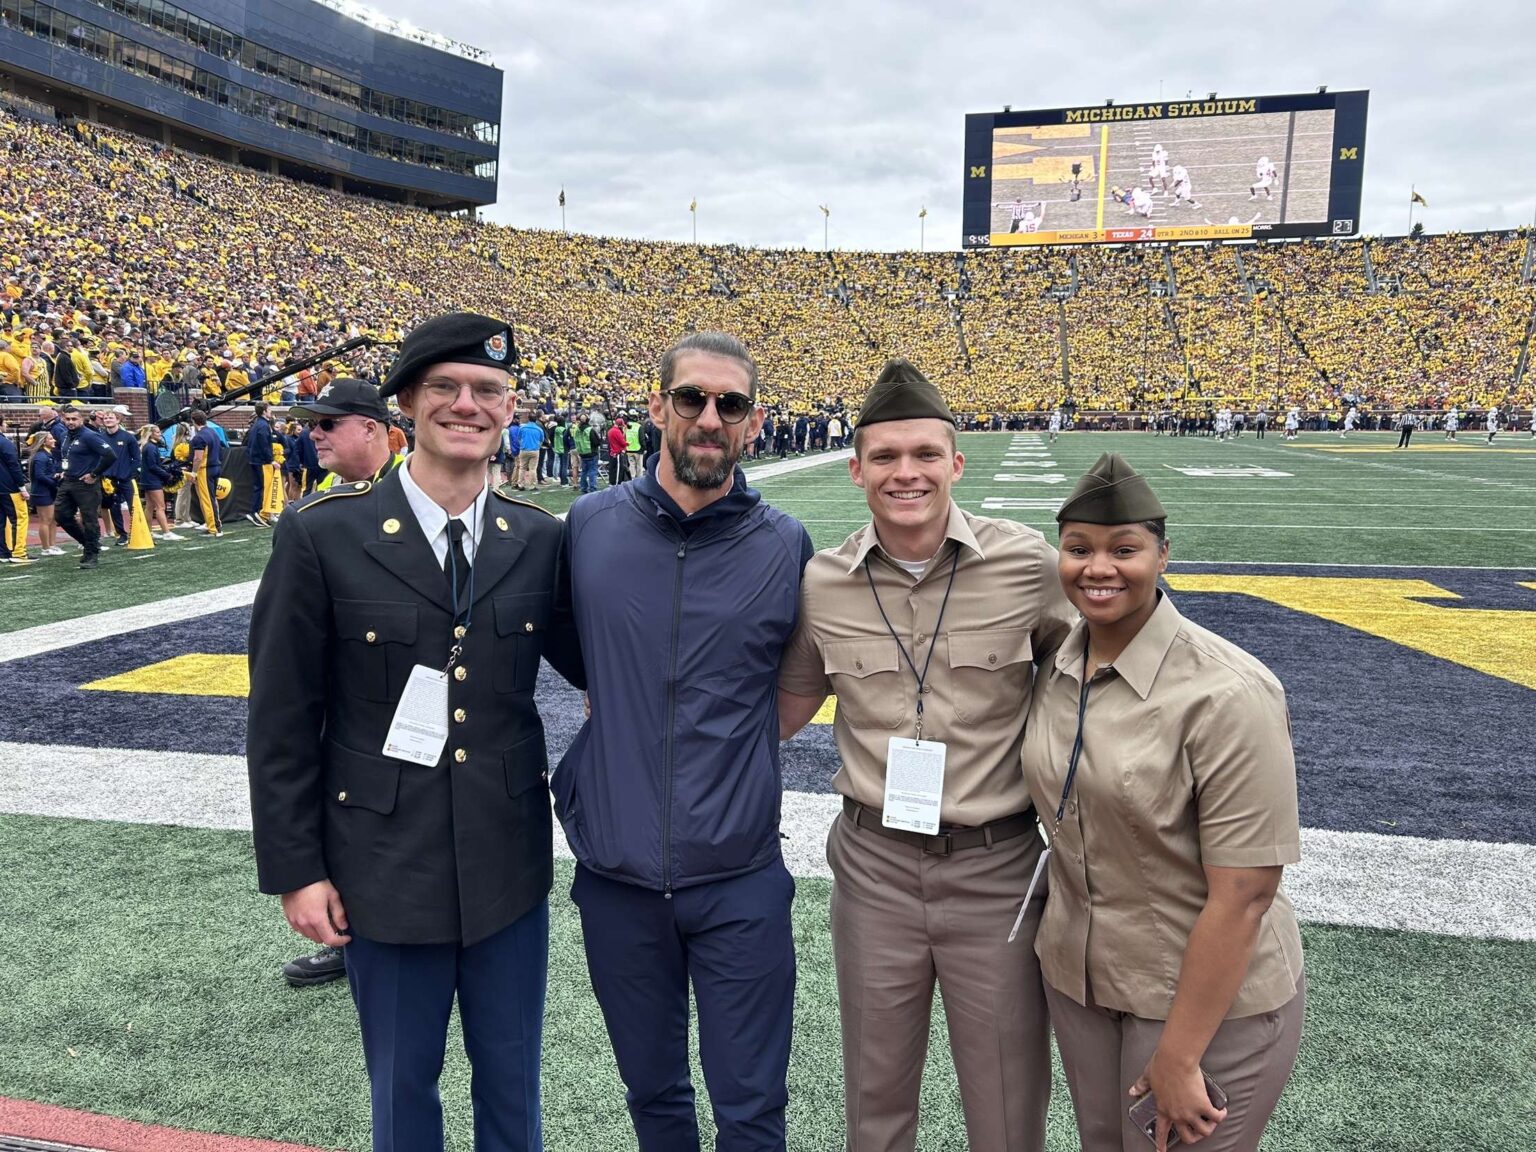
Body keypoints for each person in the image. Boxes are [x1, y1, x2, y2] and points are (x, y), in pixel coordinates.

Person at [248, 312, 584, 1152]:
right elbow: (282, 717)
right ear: (406, 403)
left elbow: (605, 667)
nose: (467, 404)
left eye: (488, 391)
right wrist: (298, 871)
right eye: (446, 388)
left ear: (509, 408)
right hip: (380, 864)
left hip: (507, 862)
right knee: (402, 1088)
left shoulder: (537, 538)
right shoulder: (324, 534)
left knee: (513, 1085)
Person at [777, 358, 1075, 1152]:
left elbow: (1102, 677)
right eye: (885, 457)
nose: (905, 474)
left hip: (997, 868)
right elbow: (785, 707)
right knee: (875, 1104)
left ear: (955, 463)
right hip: (873, 867)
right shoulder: (822, 582)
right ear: (856, 469)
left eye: (923, 455)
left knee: (1008, 1106)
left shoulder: (1028, 567)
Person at [554, 331, 811, 1152]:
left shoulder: (786, 544)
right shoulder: (588, 526)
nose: (710, 417)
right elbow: (572, 653)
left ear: (754, 422)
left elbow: (803, 679)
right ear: (658, 407)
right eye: (692, 399)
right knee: (655, 1096)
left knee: (750, 1107)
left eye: (729, 404)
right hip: (618, 876)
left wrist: (725, 748)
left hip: (738, 877)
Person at [1023, 453, 1305, 1152]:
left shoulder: (1229, 692)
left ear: (1163, 555)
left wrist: (1181, 1054)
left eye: (1125, 550)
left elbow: (1245, 892)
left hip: (1201, 1003)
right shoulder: (1059, 665)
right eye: (1078, 548)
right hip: (1083, 984)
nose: (1099, 568)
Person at [298, 379, 406, 494]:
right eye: (314, 424)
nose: (313, 434)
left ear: (369, 430)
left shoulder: (412, 482)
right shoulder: (327, 485)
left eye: (327, 424)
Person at [54, 403, 116, 570]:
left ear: (81, 419)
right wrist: (61, 470)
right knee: (61, 515)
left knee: (89, 519)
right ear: (62, 419)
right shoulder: (65, 435)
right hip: (67, 481)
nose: (70, 422)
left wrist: (95, 474)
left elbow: (110, 455)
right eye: (67, 419)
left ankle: (91, 554)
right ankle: (89, 544)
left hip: (86, 484)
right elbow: (65, 456)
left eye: (74, 419)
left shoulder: (90, 436)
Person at [98, 405, 140, 547]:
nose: (108, 420)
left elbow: (136, 458)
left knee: (132, 505)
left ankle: (137, 531)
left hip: (125, 478)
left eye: (111, 418)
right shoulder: (100, 437)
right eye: (105, 418)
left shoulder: (128, 437)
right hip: (108, 480)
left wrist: (131, 473)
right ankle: (121, 534)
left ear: (118, 420)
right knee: (114, 508)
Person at [137, 424, 181, 540]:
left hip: (147, 480)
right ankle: (166, 532)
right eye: (157, 432)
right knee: (160, 507)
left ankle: (148, 531)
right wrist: (167, 475)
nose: (160, 434)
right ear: (151, 434)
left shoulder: (148, 446)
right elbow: (153, 466)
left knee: (150, 506)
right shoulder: (151, 448)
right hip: (152, 481)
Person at [188, 409, 224, 536]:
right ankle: (214, 524)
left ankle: (214, 528)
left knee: (207, 499)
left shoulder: (199, 437)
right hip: (216, 467)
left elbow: (198, 458)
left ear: (193, 421)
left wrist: (193, 473)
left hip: (205, 470)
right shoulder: (213, 432)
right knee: (212, 498)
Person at [27, 431, 62, 556]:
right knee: (45, 520)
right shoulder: (41, 456)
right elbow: (39, 475)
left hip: (48, 491)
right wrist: (54, 482)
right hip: (42, 493)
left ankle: (52, 545)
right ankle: (45, 548)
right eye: (51, 438)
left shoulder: (47, 454)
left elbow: (47, 473)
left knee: (52, 520)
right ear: (43, 441)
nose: (54, 440)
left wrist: (56, 476)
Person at [0, 429, 30, 564]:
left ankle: (3, 552)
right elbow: (14, 465)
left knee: (1, 521)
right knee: (19, 519)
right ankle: (18, 552)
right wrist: (22, 487)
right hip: (9, 487)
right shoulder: (5, 442)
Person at [246, 401, 275, 527]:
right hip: (262, 462)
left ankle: (255, 512)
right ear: (264, 411)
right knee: (265, 487)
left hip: (254, 459)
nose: (271, 412)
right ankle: (258, 513)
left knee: (258, 487)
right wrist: (271, 460)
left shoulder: (257, 424)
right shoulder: (263, 426)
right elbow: (264, 445)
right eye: (269, 410)